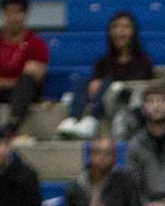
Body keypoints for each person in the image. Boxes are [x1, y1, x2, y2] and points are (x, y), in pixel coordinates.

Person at [57, 10, 156, 141]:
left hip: (125, 102)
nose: (120, 32)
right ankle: (72, 118)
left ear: (134, 31)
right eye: (116, 27)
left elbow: (135, 86)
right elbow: (93, 85)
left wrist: (106, 84)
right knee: (87, 82)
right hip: (102, 100)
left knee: (108, 81)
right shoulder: (103, 61)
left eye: (125, 27)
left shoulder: (144, 61)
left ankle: (92, 119)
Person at [0, 0, 49, 133]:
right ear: (2, 14)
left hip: (27, 92)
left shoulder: (37, 44)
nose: (13, 17)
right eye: (9, 12)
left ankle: (12, 126)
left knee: (26, 83)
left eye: (18, 12)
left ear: (25, 14)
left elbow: (33, 77)